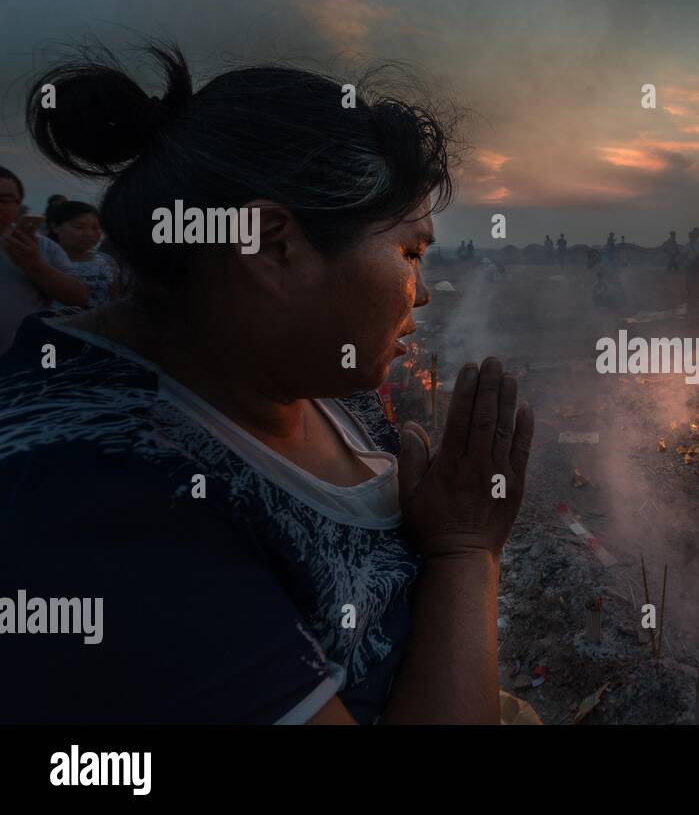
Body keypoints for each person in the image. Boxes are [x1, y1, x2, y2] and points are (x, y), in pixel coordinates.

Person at [0, 43, 533, 724]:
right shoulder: (101, 506)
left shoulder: (308, 373)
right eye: (410, 250)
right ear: (271, 246)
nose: (421, 293)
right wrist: (466, 549)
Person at [0, 166, 89, 352]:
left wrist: (33, 264)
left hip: (20, 363)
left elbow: (79, 297)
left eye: (6, 200)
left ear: (19, 207)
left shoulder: (42, 246)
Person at [45, 200, 117, 308]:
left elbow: (114, 301)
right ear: (55, 227)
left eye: (95, 228)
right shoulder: (43, 261)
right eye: (79, 227)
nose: (89, 234)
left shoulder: (106, 262)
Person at [683, 226, 699, 315]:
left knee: (696, 280)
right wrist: (689, 261)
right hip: (689, 265)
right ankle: (690, 296)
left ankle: (695, 295)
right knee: (689, 280)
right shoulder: (688, 245)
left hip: (695, 265)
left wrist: (697, 261)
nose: (694, 237)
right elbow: (684, 255)